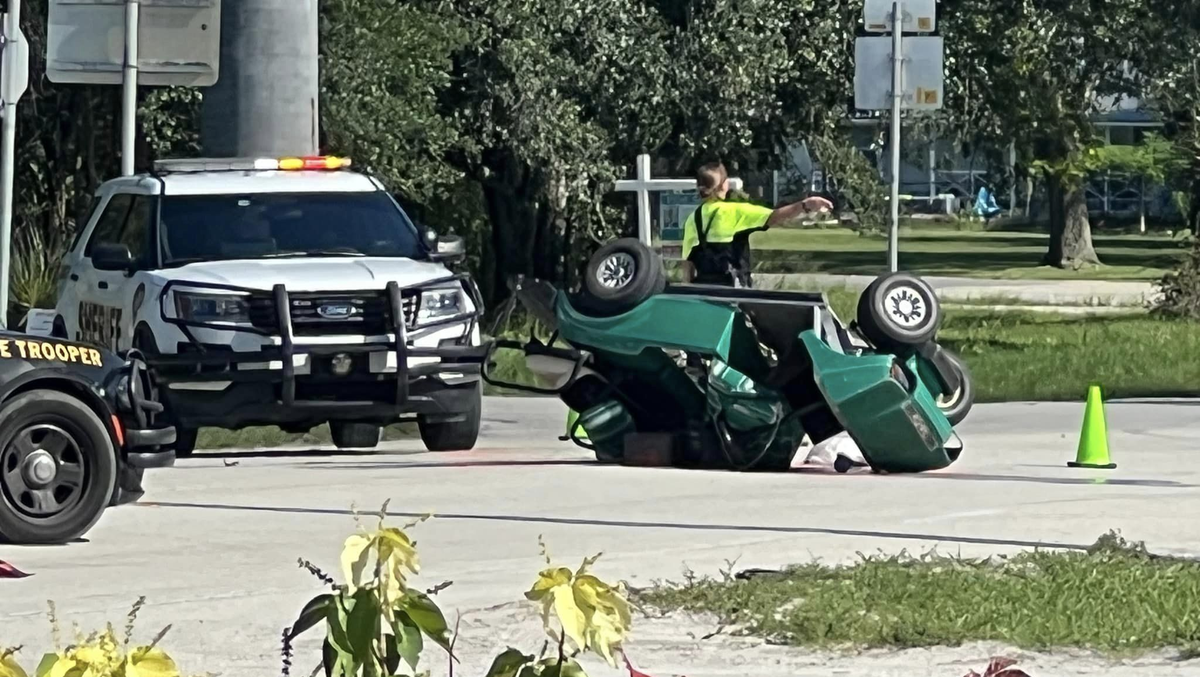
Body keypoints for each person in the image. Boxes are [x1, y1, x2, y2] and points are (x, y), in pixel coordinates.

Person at [681, 162, 833, 287]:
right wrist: (805, 205)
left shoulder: (693, 219)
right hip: (733, 291)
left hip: (704, 290)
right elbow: (774, 216)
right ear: (724, 185)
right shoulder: (734, 212)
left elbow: (688, 265)